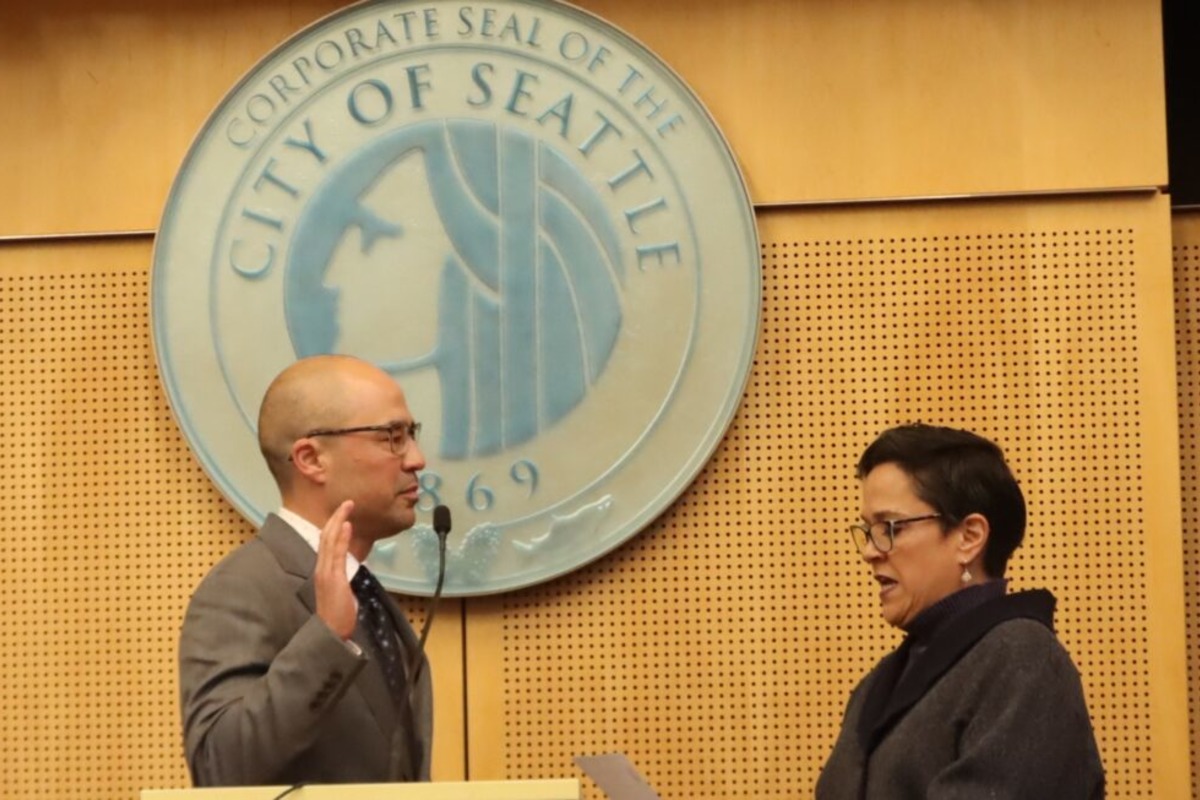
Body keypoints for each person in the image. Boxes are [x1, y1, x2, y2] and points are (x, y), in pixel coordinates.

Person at [178, 355, 433, 786]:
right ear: (311, 458)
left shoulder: (365, 593)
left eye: (411, 434)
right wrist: (327, 638)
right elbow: (219, 766)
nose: (417, 459)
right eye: (392, 437)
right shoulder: (242, 588)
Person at [816, 423, 1104, 799]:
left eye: (889, 527)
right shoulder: (879, 682)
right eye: (867, 531)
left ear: (969, 538)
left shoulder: (1022, 657)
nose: (871, 550)